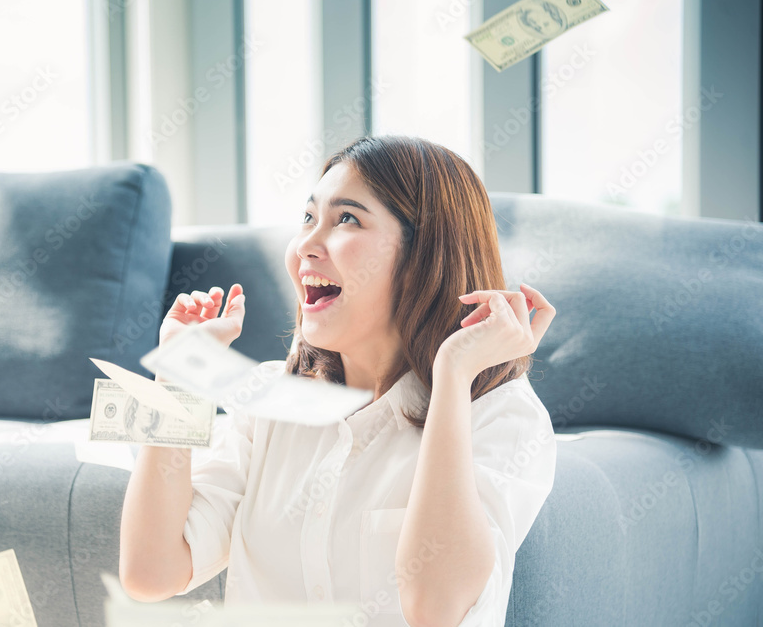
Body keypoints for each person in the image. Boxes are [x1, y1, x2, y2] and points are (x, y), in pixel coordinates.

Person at [119, 134, 558, 627]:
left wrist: (454, 376)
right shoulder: (269, 401)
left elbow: (436, 610)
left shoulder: (503, 416)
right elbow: (151, 572)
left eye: (346, 218)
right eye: (308, 218)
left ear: (425, 253)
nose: (306, 244)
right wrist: (176, 379)